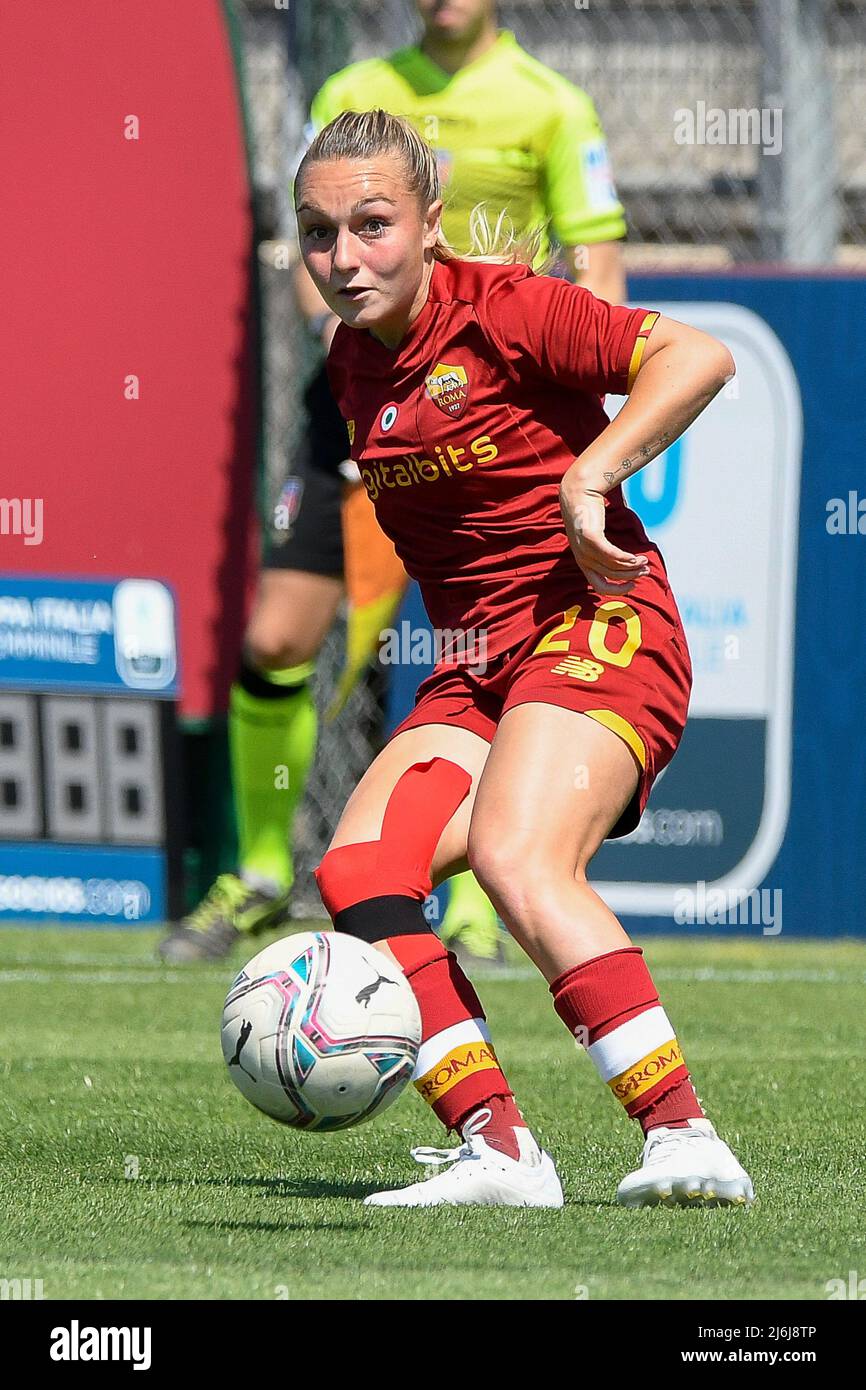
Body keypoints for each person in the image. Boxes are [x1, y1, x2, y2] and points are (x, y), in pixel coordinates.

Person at [294, 108, 755, 1210]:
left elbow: (697, 355)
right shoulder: (345, 358)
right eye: (317, 234)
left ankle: (682, 1133)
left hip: (598, 627)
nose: (344, 259)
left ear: (430, 218)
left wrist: (588, 474)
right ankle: (498, 1150)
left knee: (515, 854)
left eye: (372, 224)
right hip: (480, 669)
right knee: (357, 871)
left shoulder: (506, 312)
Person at [159, 0, 628, 965]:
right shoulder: (354, 96)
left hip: (493, 415)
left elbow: (601, 272)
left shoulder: (551, 104)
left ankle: (477, 896)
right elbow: (308, 266)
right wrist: (368, 336)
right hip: (366, 396)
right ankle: (255, 876)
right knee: (275, 636)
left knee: (495, 638)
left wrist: (547, 388)